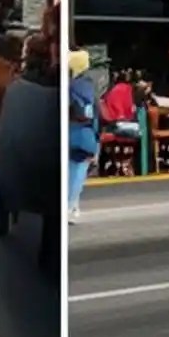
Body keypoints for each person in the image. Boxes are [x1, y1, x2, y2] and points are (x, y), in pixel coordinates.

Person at [67, 50, 97, 223]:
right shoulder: (89, 88)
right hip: (85, 134)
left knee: (69, 170)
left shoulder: (68, 86)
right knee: (79, 171)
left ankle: (71, 205)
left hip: (70, 132)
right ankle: (72, 206)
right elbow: (97, 115)